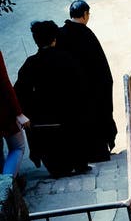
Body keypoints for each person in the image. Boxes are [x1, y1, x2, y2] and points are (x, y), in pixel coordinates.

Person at [14, 21, 90, 178]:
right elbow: (82, 89)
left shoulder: (30, 64)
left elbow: (20, 92)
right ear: (54, 39)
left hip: (43, 131)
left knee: (56, 165)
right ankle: (78, 163)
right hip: (69, 126)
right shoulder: (68, 59)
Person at [56, 0, 116, 162]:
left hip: (69, 94)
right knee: (94, 126)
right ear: (84, 14)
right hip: (91, 94)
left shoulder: (60, 35)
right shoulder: (86, 35)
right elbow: (102, 69)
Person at [0, 50, 29, 178]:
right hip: (2, 111)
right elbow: (4, 82)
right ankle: (5, 186)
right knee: (17, 147)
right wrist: (18, 113)